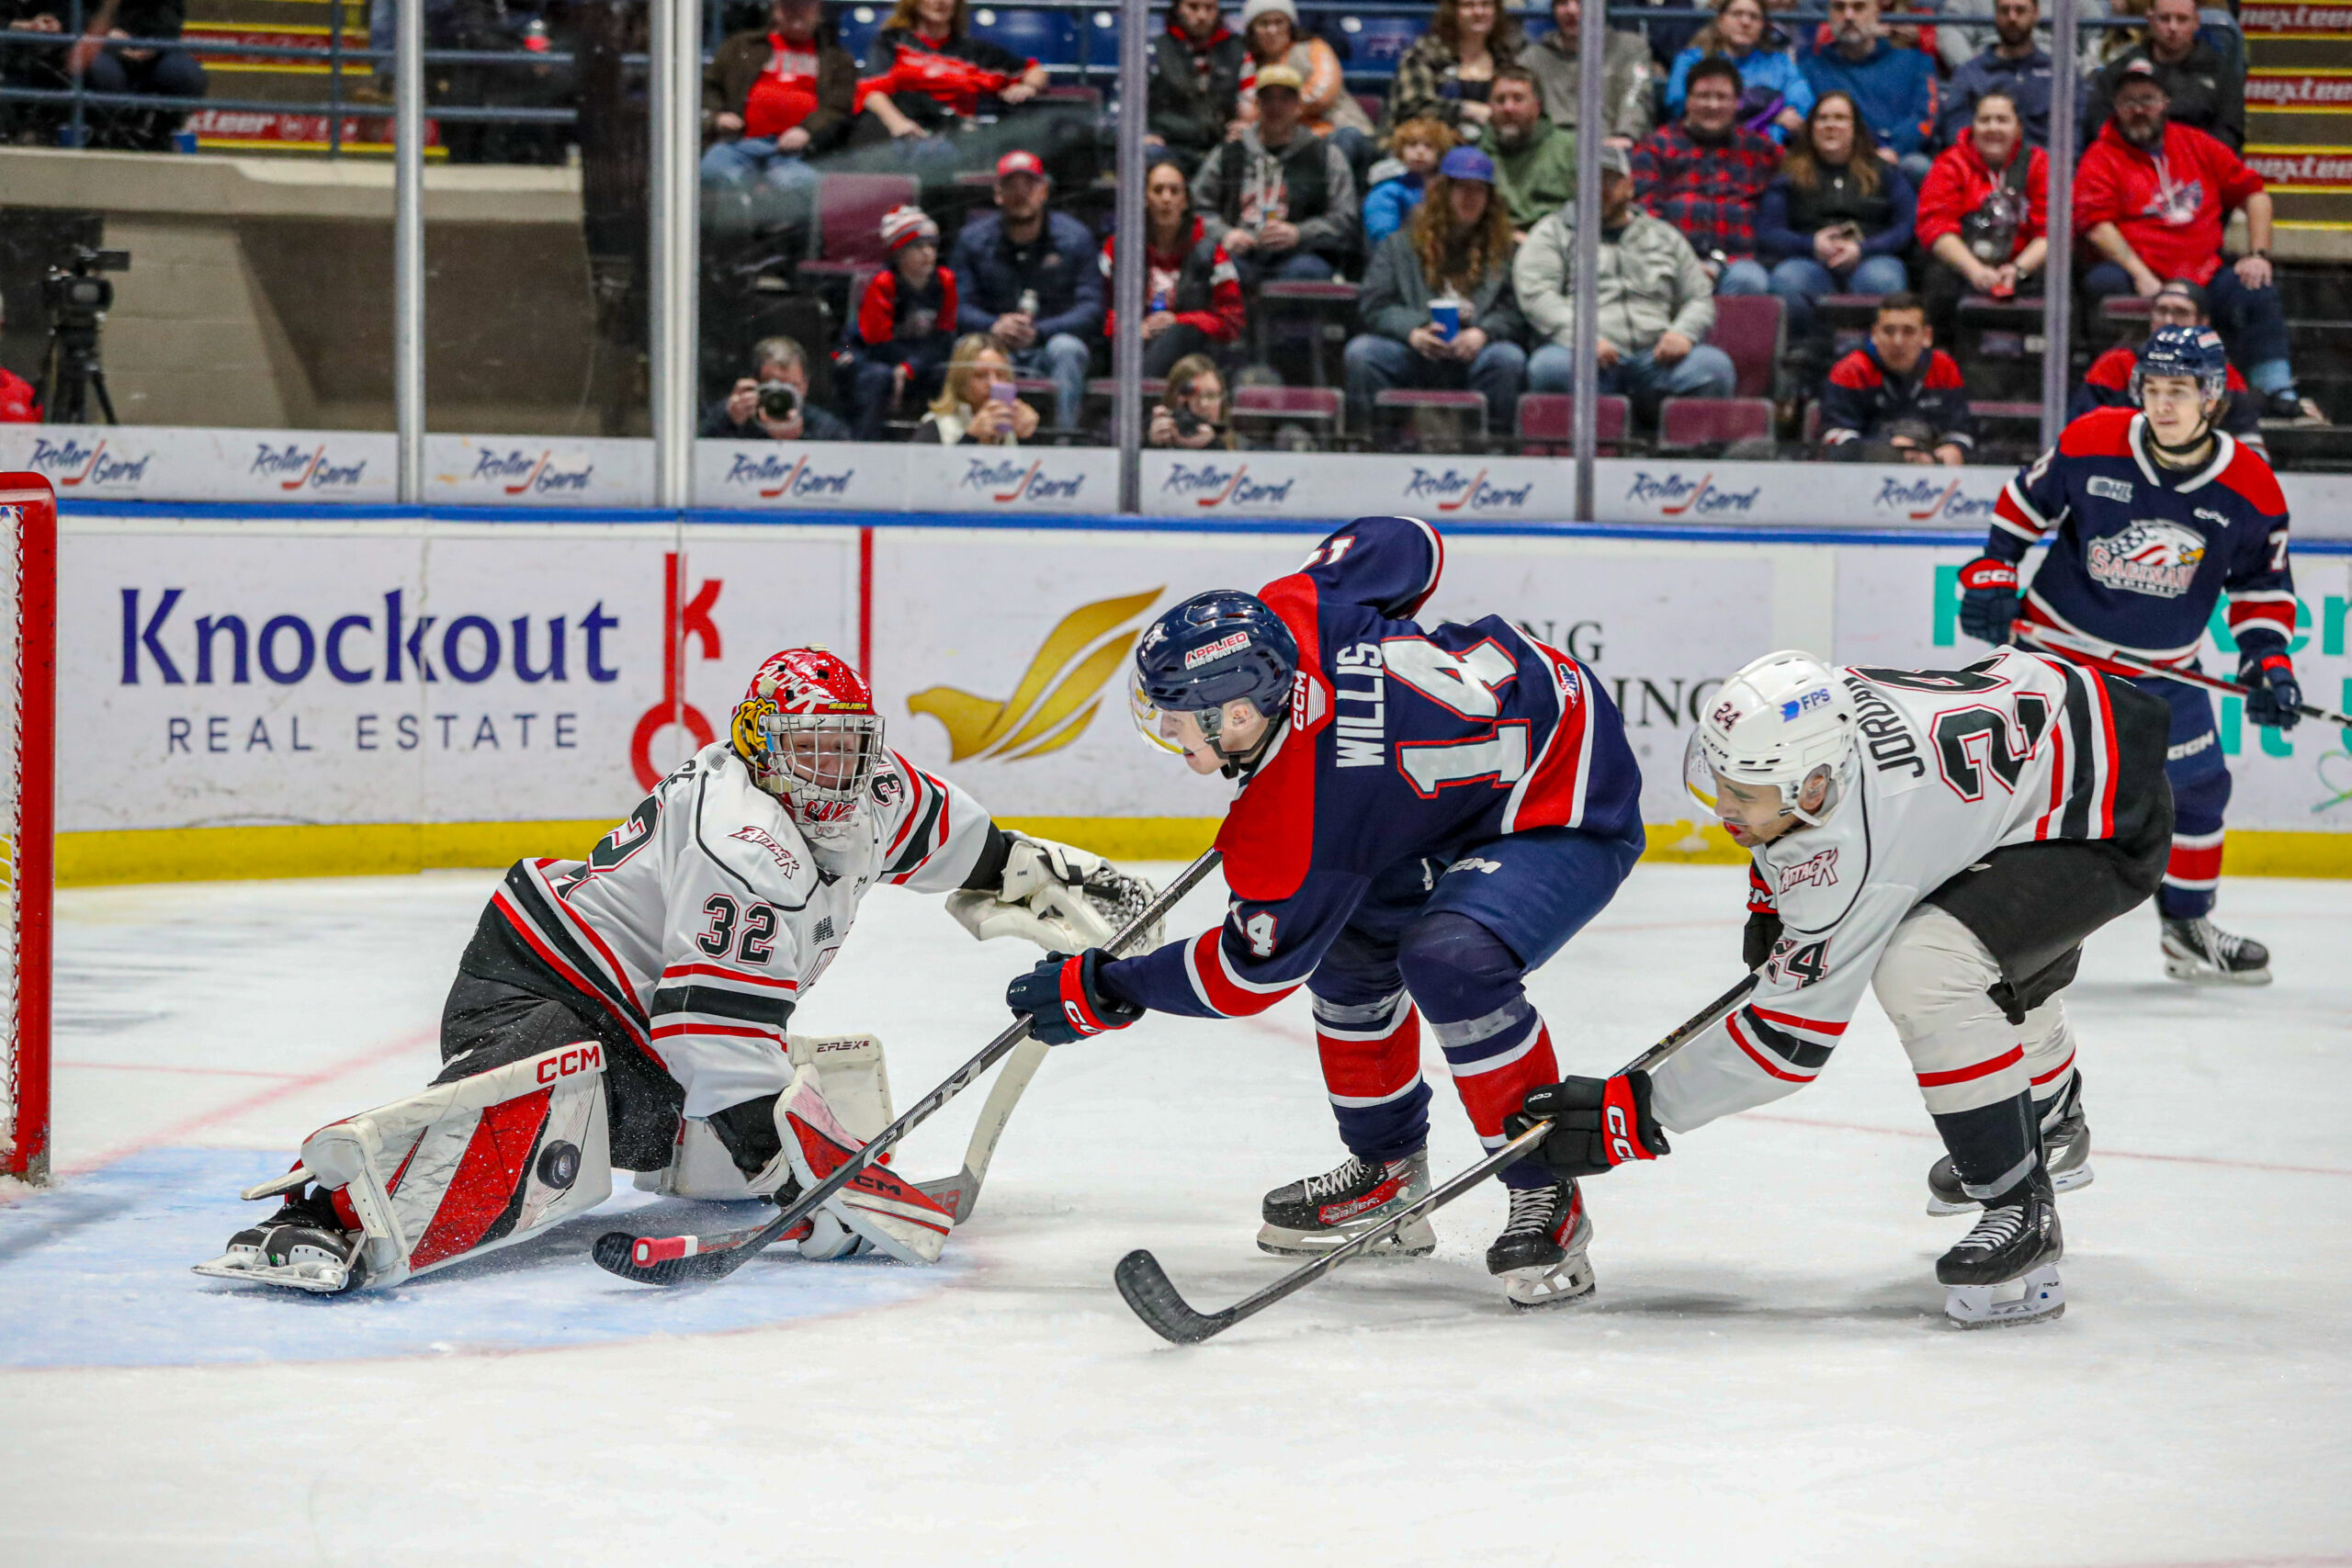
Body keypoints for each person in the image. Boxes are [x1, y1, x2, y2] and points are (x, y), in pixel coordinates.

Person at [198, 649, 1159, 1293]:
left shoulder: (880, 791)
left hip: (650, 1022)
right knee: (531, 1131)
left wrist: (1078, 893)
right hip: (545, 982)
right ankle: (319, 1211)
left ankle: (728, 1152)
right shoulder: (741, 836)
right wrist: (800, 1187)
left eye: (846, 748)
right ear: (758, 749)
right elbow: (711, 1038)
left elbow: (987, 859)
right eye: (807, 752)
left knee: (734, 1117)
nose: (830, 774)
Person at [1004, 516, 1645, 1309]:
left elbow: (1244, 973)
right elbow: (1412, 542)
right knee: (1347, 943)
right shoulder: (1294, 607)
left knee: (1452, 959)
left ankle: (1544, 1186)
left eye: (1178, 718)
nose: (1168, 733)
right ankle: (1386, 1174)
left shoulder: (1295, 825)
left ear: (1240, 715)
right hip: (1479, 761)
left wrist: (1114, 986)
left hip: (1567, 798)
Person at [1510, 645, 2171, 1326]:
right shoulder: (1815, 725)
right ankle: (2051, 1110)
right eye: (1722, 780)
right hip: (2048, 735)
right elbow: (1788, 828)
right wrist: (1771, 901)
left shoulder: (1853, 849)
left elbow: (1785, 1047)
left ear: (1816, 787)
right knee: (1992, 947)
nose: (1725, 806)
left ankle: (2018, 1205)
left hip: (2106, 811)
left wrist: (1637, 1113)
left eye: (1745, 794)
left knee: (1928, 963)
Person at [1956, 325, 2299, 984]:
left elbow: (2262, 589)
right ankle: (1976, 933)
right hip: (2056, 660)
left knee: (2199, 792)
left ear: (2213, 397)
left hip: (2159, 672)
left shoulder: (2251, 487)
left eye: (2180, 390)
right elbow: (2023, 505)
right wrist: (1994, 570)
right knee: (2025, 797)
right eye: (2153, 388)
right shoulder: (2092, 440)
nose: (2163, 404)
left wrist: (2268, 660)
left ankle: (2188, 931)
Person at [2074, 63, 2316, 422]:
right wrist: (2140, 273)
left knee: (2255, 285)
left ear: (2165, 102)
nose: (2139, 109)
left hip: (2205, 272)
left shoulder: (2197, 143)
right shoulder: (2101, 156)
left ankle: (2277, 390)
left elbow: (2255, 194)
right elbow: (2095, 224)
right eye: (2129, 101)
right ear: (2115, 107)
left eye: (2148, 99)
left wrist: (2258, 254)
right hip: (2141, 271)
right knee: (2101, 283)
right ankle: (2117, 392)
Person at [1521, 143, 1738, 415]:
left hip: (1658, 357)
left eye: (1609, 180)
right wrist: (1581, 337)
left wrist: (1682, 332)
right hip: (1585, 356)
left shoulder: (1662, 235)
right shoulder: (1552, 232)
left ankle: (1687, 454)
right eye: (1590, 179)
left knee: (1713, 368)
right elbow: (1538, 295)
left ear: (1629, 186)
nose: (1599, 189)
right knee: (1549, 368)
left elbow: (1698, 296)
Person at [1342, 146, 1530, 436]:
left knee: (1507, 359)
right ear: (1443, 193)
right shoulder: (1399, 245)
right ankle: (1375, 448)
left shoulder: (1505, 250)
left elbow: (1515, 310)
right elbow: (1374, 303)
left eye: (1479, 190)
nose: (1471, 197)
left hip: (1474, 351)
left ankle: (1496, 450)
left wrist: (1483, 334)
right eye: (1461, 188)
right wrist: (1414, 331)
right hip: (1413, 350)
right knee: (1363, 353)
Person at [948, 150, 1102, 430]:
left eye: (1028, 185)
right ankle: (963, 434)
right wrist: (993, 326)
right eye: (1011, 186)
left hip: (1048, 344)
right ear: (998, 194)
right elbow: (956, 305)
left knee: (1069, 349)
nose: (1021, 194)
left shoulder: (1075, 238)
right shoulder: (972, 241)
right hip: (991, 345)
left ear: (1043, 191)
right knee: (965, 349)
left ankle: (1064, 439)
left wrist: (1040, 331)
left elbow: (1091, 307)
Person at [1755, 92, 1914, 336]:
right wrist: (1812, 245)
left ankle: (1870, 356)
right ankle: (1807, 355)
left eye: (1840, 118)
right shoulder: (1788, 175)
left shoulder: (1885, 172)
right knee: (1788, 280)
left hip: (1871, 257)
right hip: (1810, 260)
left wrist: (1863, 249)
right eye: (1822, 118)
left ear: (1855, 128)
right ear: (1811, 127)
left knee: (1883, 281)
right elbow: (1768, 230)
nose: (1830, 125)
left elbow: (1907, 225)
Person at [1191, 63, 1360, 286]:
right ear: (1256, 105)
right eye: (1267, 98)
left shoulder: (1325, 155)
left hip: (1302, 254)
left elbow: (1345, 217)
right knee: (1212, 262)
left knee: (1308, 272)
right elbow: (1196, 209)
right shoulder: (1228, 154)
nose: (1275, 106)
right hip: (1240, 252)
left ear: (1299, 106)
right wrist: (1225, 234)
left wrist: (1300, 233)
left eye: (1285, 98)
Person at [1630, 56, 1782, 296]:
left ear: (1736, 103)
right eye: (1703, 96)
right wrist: (1683, 261)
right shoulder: (1657, 145)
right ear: (1688, 101)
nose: (1712, 105)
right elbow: (1644, 212)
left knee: (1751, 282)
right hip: (1670, 259)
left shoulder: (1762, 149)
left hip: (1739, 262)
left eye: (1722, 97)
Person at [699, 0, 859, 223]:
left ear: (817, 11)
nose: (796, 14)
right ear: (775, 9)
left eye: (803, 7)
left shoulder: (837, 59)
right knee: (710, 171)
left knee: (798, 185)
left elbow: (838, 108)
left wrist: (807, 131)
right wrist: (717, 116)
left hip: (798, 155)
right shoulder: (741, 46)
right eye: (788, 7)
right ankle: (726, 245)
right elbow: (709, 88)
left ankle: (781, 251)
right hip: (738, 144)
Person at [2073, 279, 2265, 455]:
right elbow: (2078, 432)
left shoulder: (2224, 375)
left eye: (2181, 313)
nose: (2168, 321)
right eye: (2161, 311)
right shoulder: (2116, 365)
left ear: (2203, 323)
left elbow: (2251, 448)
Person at [1917, 88, 2048, 344]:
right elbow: (1935, 226)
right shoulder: (1950, 163)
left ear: (2018, 128)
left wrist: (2018, 269)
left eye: (2002, 120)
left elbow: (2053, 231)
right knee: (1937, 282)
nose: (1993, 128)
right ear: (1973, 125)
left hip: (2023, 267)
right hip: (1965, 267)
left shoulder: (2038, 164)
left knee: (2060, 286)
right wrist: (1974, 270)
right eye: (1985, 120)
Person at [1102, 161, 1247, 380]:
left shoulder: (1211, 254)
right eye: (1158, 190)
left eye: (1174, 191)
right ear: (1145, 199)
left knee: (1179, 334)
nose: (1166, 199)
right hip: (1128, 349)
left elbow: (1231, 321)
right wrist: (1129, 330)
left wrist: (1180, 321)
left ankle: (1139, 394)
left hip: (1192, 362)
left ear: (1186, 200)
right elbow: (1100, 309)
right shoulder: (1119, 249)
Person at [855, 0, 1047, 144]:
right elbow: (870, 89)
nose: (940, 2)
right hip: (898, 137)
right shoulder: (892, 41)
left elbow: (1034, 70)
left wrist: (1028, 87)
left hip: (953, 141)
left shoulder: (975, 52)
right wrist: (898, 124)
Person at [845, 206, 960, 440]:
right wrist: (901, 367)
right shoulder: (882, 283)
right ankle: (863, 445)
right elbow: (877, 342)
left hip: (922, 360)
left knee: (951, 374)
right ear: (899, 252)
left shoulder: (946, 281)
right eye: (918, 247)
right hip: (876, 356)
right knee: (876, 378)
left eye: (932, 246)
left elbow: (945, 337)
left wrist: (910, 367)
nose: (928, 254)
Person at [1817, 293, 1973, 462]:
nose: (1898, 341)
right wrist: (1884, 450)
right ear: (1874, 334)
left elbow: (1961, 430)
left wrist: (1955, 448)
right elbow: (1835, 435)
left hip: (1930, 475)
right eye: (1889, 331)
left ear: (1927, 336)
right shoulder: (1851, 370)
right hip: (1864, 474)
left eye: (1909, 331)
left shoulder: (1944, 368)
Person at [1800, 0, 1938, 186]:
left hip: (1895, 161)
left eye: (1859, 7)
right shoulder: (1808, 69)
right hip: (1826, 162)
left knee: (1919, 167)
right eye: (1839, 7)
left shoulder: (1916, 62)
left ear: (1877, 13)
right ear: (1829, 15)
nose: (1848, 16)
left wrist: (1895, 149)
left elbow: (1925, 117)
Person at [1231, 0, 1374, 174]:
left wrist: (1271, 114)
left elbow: (1321, 97)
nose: (1272, 30)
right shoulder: (1247, 63)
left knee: (1341, 144)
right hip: (1279, 140)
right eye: (1264, 23)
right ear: (1252, 30)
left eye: (1279, 22)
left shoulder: (1314, 48)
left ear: (1290, 25)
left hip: (1333, 131)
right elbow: (1247, 112)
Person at [2082, 0, 2244, 152]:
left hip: (2198, 166)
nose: (2172, 27)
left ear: (2196, 22)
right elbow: (2099, 125)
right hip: (2132, 167)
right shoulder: (2121, 69)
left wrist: (2186, 156)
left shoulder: (2220, 71)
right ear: (2150, 20)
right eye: (2165, 19)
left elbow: (2230, 132)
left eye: (2182, 19)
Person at [51, 0, 206, 149]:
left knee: (185, 74)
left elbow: (171, 19)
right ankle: (100, 136)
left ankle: (159, 136)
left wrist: (150, 44)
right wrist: (106, 34)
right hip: (100, 46)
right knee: (101, 73)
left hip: (151, 50)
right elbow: (68, 13)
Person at [1665, 0, 1812, 142]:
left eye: (1754, 17)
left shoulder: (1781, 64)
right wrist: (1769, 115)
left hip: (1767, 149)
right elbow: (1678, 106)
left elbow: (1799, 109)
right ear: (1720, 21)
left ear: (1763, 25)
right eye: (1737, 14)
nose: (1745, 22)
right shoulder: (1691, 60)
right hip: (1702, 144)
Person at [1524, 0, 1655, 148]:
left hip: (1612, 142)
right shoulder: (1533, 57)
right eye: (1563, 3)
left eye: (1580, 2)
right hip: (1552, 148)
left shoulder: (1630, 47)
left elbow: (1635, 96)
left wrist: (1626, 134)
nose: (1571, 10)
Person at [1386, 0, 1522, 136]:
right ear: (1452, 12)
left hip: (1494, 145)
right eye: (1468, 5)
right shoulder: (1425, 53)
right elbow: (1412, 107)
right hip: (1433, 146)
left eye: (1486, 4)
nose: (1478, 12)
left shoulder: (1504, 57)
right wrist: (1466, 110)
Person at [1145, 0, 1246, 177]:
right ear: (1178, 9)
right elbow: (1133, 101)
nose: (1201, 15)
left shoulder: (1236, 49)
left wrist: (1244, 124)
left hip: (1222, 145)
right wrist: (1145, 133)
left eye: (1209, 8)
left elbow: (1250, 97)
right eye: (1193, 7)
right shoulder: (1157, 49)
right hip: (1170, 145)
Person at [1937, 0, 2053, 149]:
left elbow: (2072, 140)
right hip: (1980, 167)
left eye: (2020, 10)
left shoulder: (2058, 74)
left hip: (2045, 168)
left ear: (2036, 13)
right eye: (2005, 10)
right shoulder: (1969, 74)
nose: (2012, 18)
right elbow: (1957, 134)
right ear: (1995, 14)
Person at [1480, 67, 1577, 238]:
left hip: (1556, 242)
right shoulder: (1476, 153)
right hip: (1494, 243)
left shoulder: (1570, 148)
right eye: (1500, 100)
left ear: (1537, 107)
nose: (1508, 108)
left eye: (1518, 99)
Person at [701, 336, 852, 442]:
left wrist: (800, 438)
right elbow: (698, 453)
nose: (781, 398)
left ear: (805, 385)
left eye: (792, 387)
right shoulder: (737, 415)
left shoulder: (825, 428)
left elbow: (844, 460)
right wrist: (729, 418)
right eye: (774, 387)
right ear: (755, 383)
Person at [913, 333, 1043, 445]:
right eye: (980, 375)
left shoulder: (1016, 423)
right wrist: (971, 436)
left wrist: (1029, 437)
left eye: (1000, 375)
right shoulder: (936, 425)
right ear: (960, 379)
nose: (993, 384)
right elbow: (924, 472)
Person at [1362, 118, 1457, 251]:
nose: (1420, 151)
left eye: (1429, 146)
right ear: (1400, 151)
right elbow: (1383, 238)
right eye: (1412, 145)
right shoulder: (1387, 190)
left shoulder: (1449, 189)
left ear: (1440, 152)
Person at [1146, 353, 1235, 449]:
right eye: (1194, 396)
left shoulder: (1241, 446)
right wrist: (1152, 445)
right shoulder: (1156, 437)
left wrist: (1213, 444)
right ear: (1175, 399)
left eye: (1211, 396)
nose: (1204, 404)